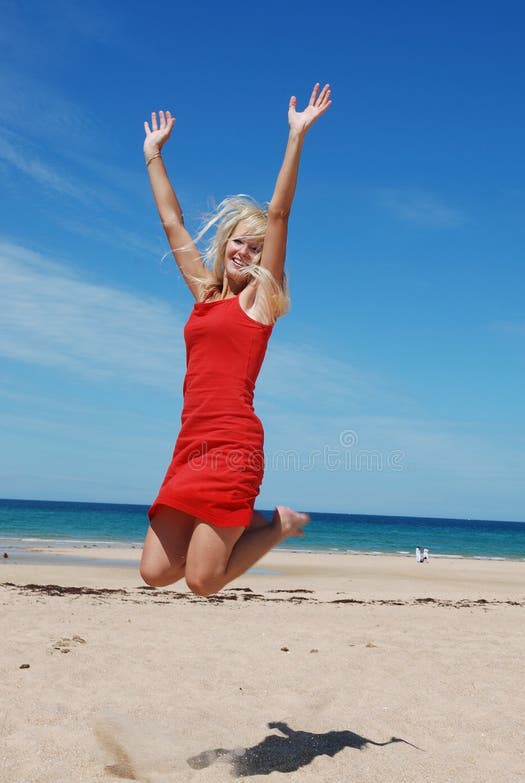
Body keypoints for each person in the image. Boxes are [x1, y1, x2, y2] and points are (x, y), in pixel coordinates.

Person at [139, 84, 332, 596]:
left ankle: (277, 528)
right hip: (190, 441)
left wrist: (295, 137)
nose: (245, 252)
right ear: (227, 243)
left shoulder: (259, 305)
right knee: (155, 573)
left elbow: (279, 215)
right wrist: (153, 155)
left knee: (202, 582)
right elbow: (171, 222)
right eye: (239, 242)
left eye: (256, 248)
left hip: (233, 445)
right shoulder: (205, 294)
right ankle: (257, 529)